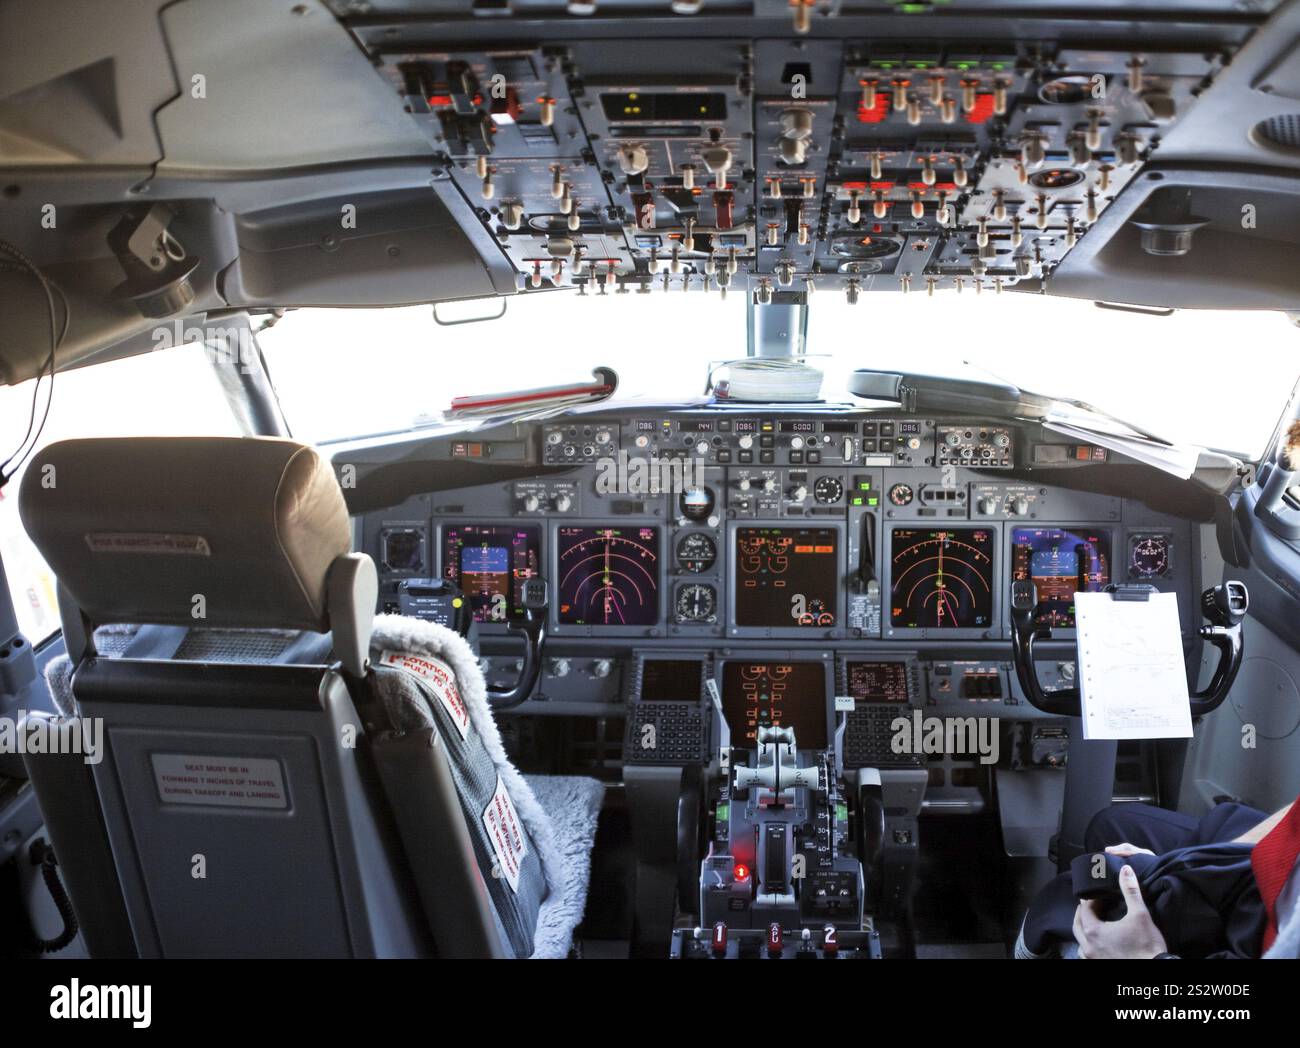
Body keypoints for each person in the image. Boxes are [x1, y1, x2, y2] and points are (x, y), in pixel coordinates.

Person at [1017, 798, 1299, 959]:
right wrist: (1184, 867)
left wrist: (1145, 956)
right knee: (1113, 826)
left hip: (1255, 935)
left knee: (1080, 915)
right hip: (1261, 871)